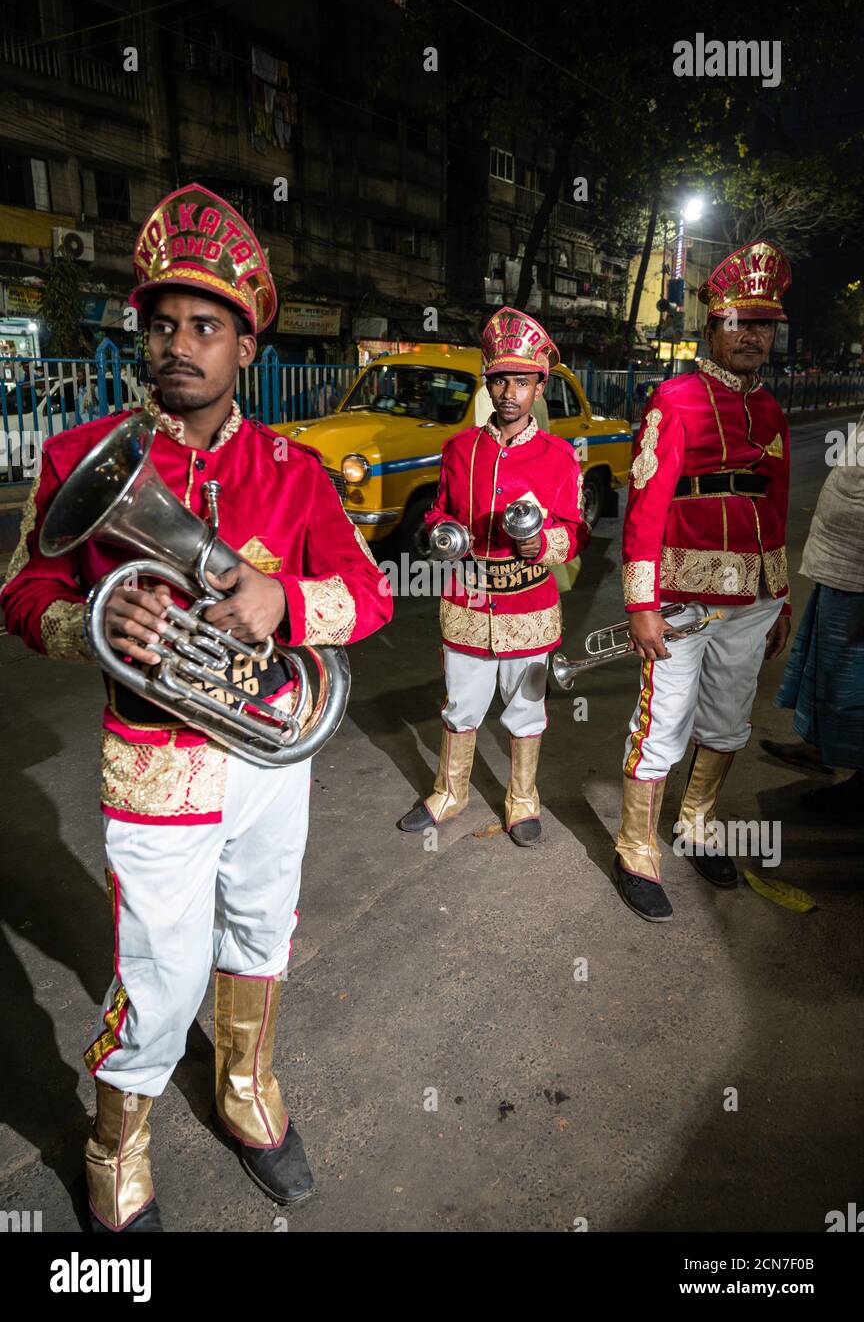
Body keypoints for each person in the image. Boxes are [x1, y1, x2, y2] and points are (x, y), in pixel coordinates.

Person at [0, 183, 392, 1232]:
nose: (180, 344)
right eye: (164, 323)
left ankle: (244, 1091)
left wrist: (287, 598)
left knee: (265, 930)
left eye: (207, 327)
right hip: (154, 757)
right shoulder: (74, 454)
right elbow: (22, 592)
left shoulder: (295, 473)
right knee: (159, 973)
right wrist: (90, 627)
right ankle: (115, 1141)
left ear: (246, 348)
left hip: (271, 757)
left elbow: (373, 594)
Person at [614, 239, 793, 922]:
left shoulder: (772, 412)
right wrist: (640, 604)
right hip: (681, 600)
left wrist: (780, 602)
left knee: (726, 721)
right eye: (740, 321)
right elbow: (647, 505)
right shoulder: (676, 398)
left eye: (765, 324)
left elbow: (775, 509)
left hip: (754, 602)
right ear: (712, 324)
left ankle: (695, 823)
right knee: (660, 723)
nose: (753, 336)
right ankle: (636, 849)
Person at [397, 306, 590, 846]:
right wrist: (440, 534)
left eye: (522, 381)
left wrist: (542, 542)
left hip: (529, 606)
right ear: (489, 382)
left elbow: (576, 531)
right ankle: (450, 793)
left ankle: (523, 801)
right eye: (501, 379)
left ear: (538, 386)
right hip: (466, 600)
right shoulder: (459, 450)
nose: (510, 392)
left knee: (526, 708)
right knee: (460, 704)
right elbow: (439, 511)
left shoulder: (559, 458)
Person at [761, 410, 864, 810]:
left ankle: (858, 776)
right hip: (841, 565)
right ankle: (823, 747)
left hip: (858, 575)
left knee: (850, 682)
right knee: (823, 666)